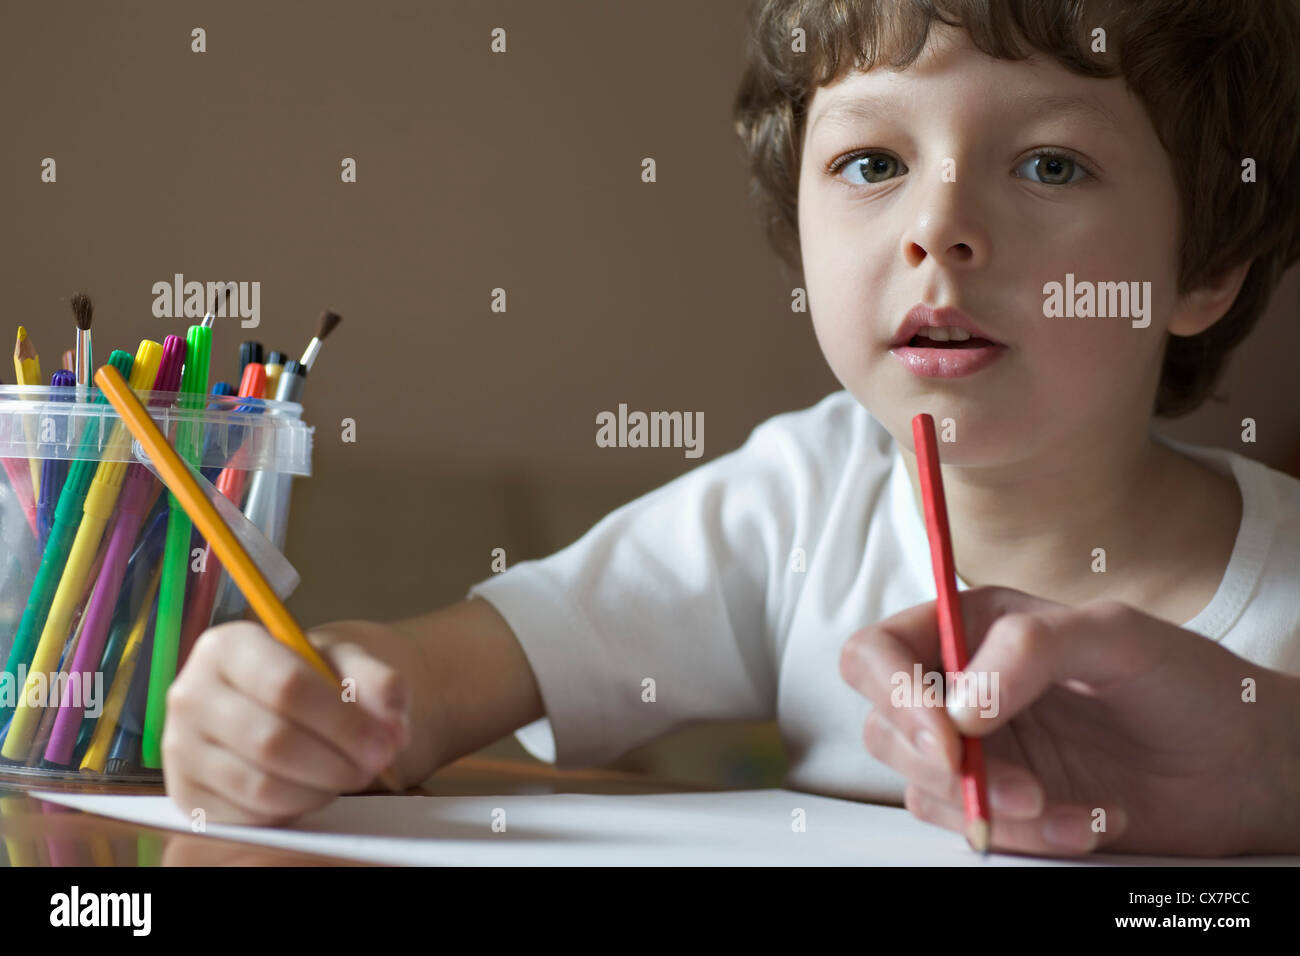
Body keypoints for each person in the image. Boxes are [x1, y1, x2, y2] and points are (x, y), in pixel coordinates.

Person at [162, 0, 1300, 855]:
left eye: (1050, 163)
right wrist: (303, 706)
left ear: (1205, 265)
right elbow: (431, 680)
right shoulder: (794, 501)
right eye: (872, 162)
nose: (938, 228)